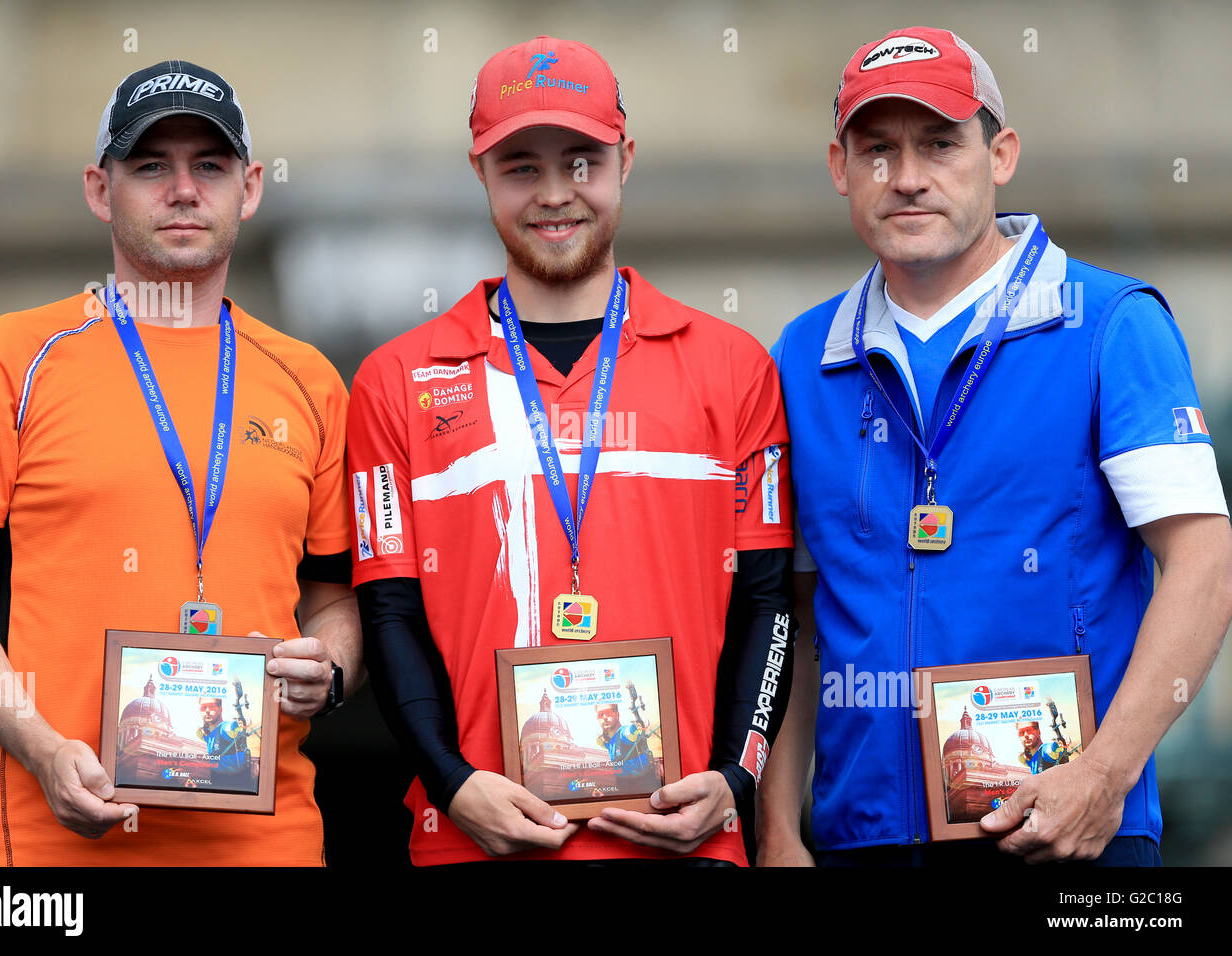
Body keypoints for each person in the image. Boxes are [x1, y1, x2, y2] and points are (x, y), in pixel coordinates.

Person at [760, 26, 1232, 867]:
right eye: (878, 150)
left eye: (940, 143)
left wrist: (1105, 776)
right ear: (839, 168)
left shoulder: (1110, 324)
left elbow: (1204, 560)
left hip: (1073, 835)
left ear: (1001, 153)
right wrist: (777, 829)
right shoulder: (800, 357)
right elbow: (797, 611)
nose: (907, 177)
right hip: (858, 841)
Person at [348, 36, 796, 865]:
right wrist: (449, 783)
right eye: (522, 166)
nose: (555, 195)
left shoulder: (735, 368)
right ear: (480, 173)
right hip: (476, 847)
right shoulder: (395, 379)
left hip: (684, 845)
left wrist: (737, 777)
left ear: (625, 159)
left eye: (581, 160)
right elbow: (391, 613)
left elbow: (767, 606)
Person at [0, 60, 362, 865]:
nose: (184, 189)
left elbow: (337, 600)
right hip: (48, 848)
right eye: (150, 166)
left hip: (267, 848)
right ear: (100, 190)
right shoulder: (13, 356)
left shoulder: (309, 381)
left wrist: (331, 671)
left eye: (209, 165)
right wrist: (40, 748)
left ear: (252, 186)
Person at [595, 703, 655, 786]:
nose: (604, 717)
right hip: (623, 785)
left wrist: (638, 727)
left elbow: (630, 732)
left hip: (642, 784)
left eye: (608, 713)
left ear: (617, 714)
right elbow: (600, 741)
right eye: (601, 715)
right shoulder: (608, 742)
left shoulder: (623, 733)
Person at [198, 696, 251, 785]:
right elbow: (200, 733)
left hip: (236, 786)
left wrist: (238, 725)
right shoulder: (209, 735)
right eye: (203, 707)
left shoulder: (224, 728)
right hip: (216, 784)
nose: (207, 710)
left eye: (211, 706)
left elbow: (230, 728)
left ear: (220, 709)